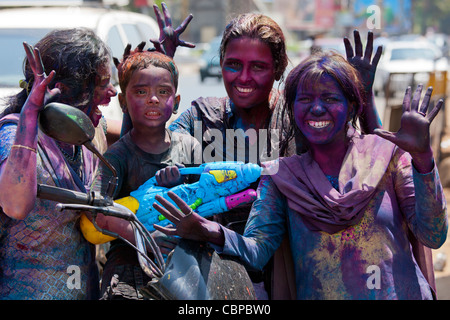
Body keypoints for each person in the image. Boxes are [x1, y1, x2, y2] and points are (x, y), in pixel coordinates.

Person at [152, 51, 448, 300]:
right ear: (292, 110)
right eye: (305, 99)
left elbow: (433, 235)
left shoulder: (388, 157)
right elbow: (258, 250)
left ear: (352, 106)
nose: (317, 108)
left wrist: (423, 159)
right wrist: (205, 230)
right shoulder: (282, 177)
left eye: (330, 98)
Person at [0, 27, 117, 299]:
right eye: (102, 84)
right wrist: (30, 113)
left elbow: (135, 139)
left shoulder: (84, 132)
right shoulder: (12, 137)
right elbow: (16, 205)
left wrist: (158, 67)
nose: (112, 92)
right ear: (65, 90)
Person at [89, 44, 201, 300]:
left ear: (176, 102)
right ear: (123, 102)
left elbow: (206, 200)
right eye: (141, 91)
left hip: (183, 261)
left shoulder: (189, 148)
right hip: (129, 267)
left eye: (163, 92)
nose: (153, 99)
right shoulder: (118, 157)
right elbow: (97, 212)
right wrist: (146, 238)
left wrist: (181, 187)